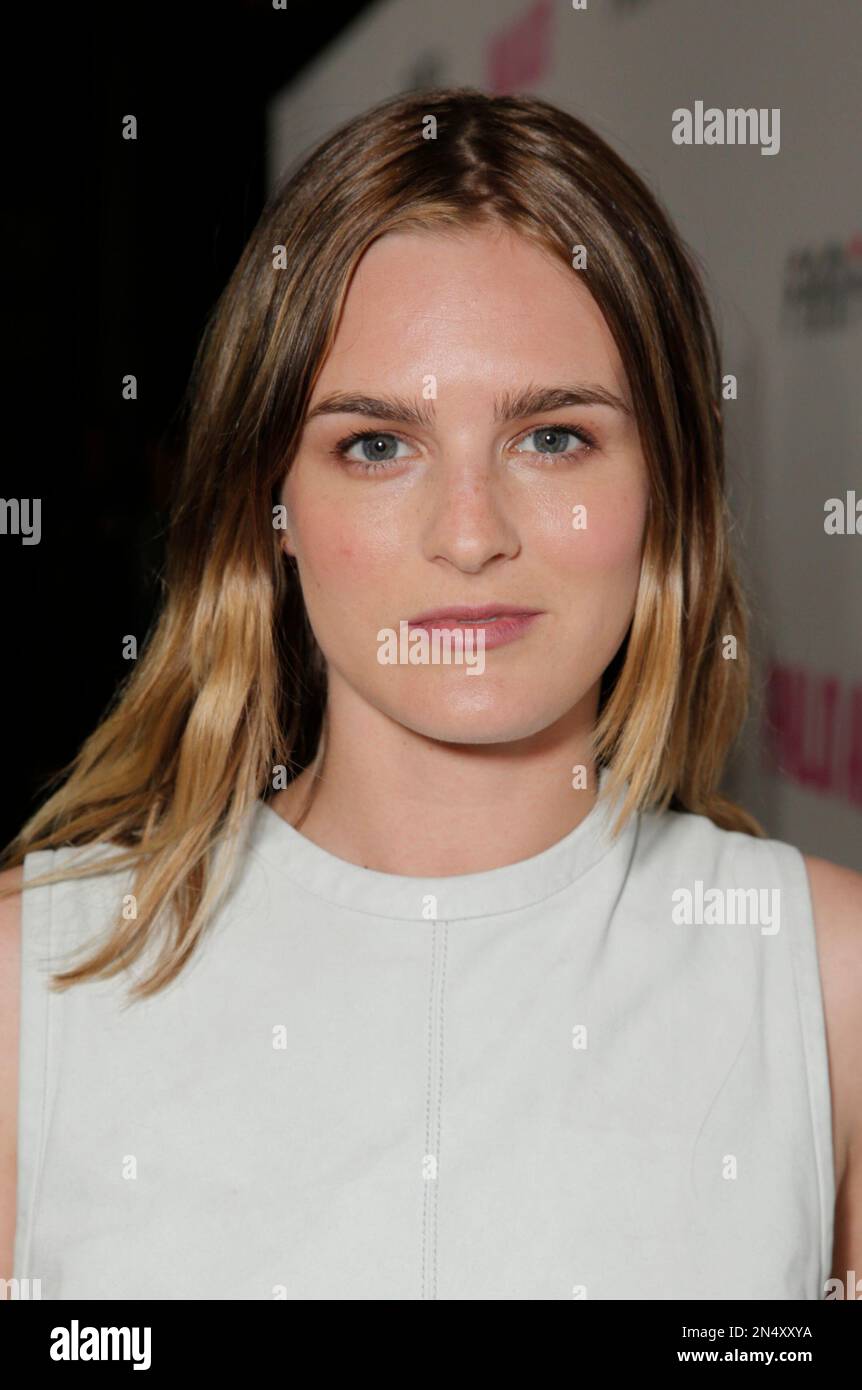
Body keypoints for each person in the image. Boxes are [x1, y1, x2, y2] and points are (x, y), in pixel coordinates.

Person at [0, 87, 859, 1301]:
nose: (469, 535)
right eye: (375, 445)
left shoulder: (829, 985)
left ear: (664, 482)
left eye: (553, 435)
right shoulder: (29, 990)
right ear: (269, 503)